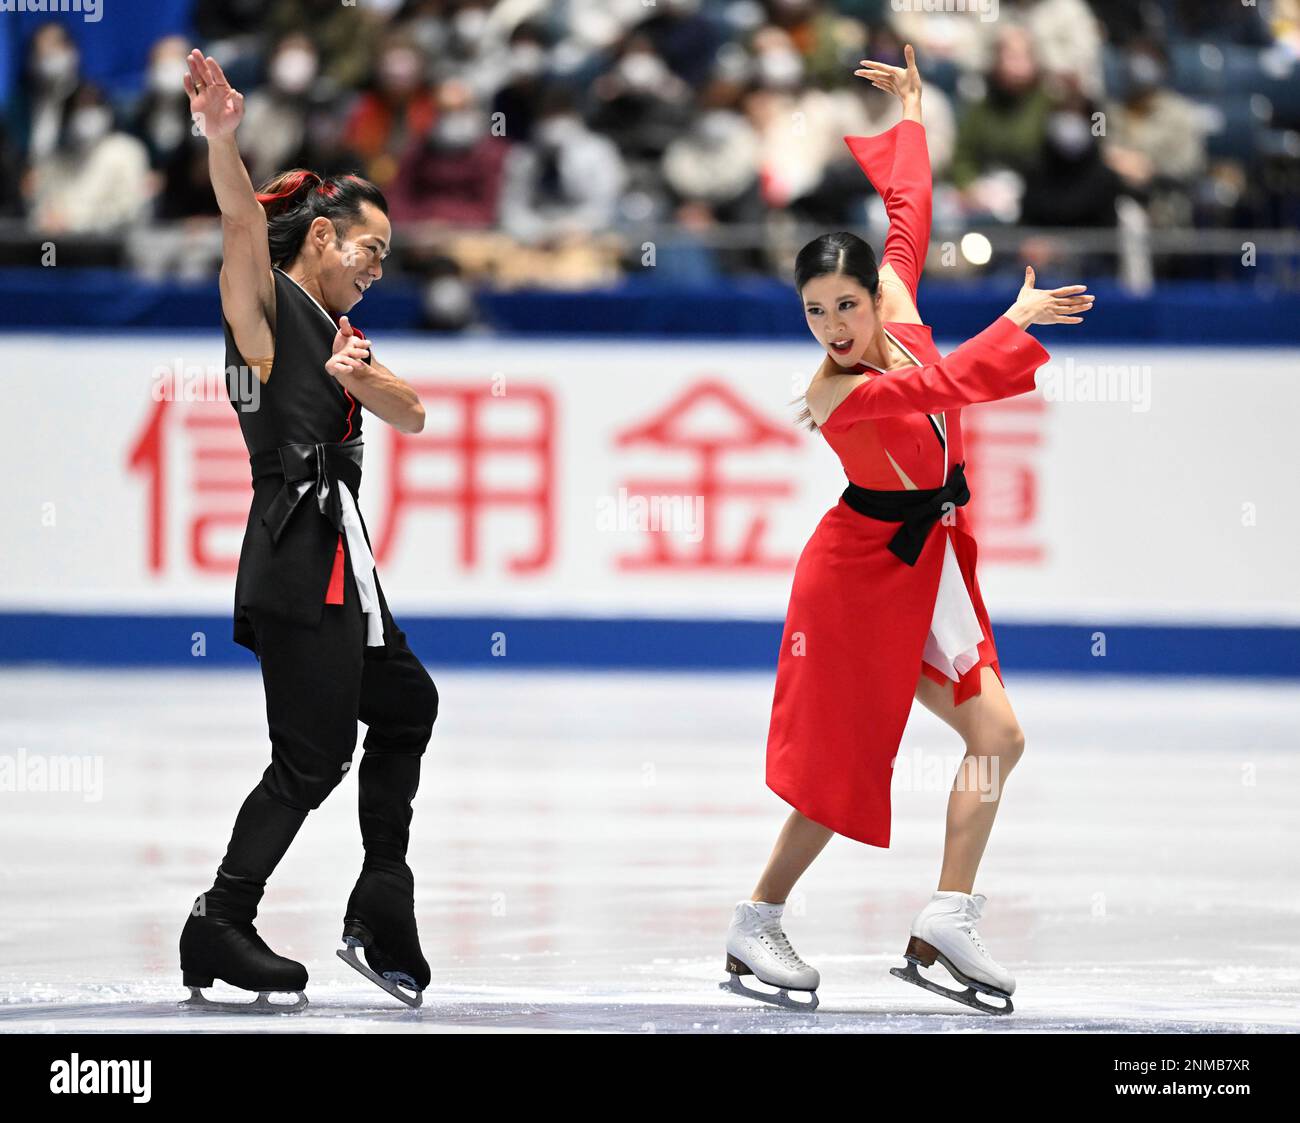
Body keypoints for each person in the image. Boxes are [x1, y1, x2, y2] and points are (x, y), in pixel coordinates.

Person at [722, 45, 1093, 1014]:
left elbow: (904, 218)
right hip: (854, 576)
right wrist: (1011, 320)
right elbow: (935, 386)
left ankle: (947, 916)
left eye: (845, 305)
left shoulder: (893, 304)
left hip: (926, 563)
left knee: (996, 735)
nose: (834, 325)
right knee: (842, 769)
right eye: (814, 312)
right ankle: (758, 915)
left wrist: (916, 118)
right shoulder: (835, 392)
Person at [177, 49, 440, 1011]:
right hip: (297, 553)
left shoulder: (337, 336)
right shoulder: (269, 316)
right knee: (312, 756)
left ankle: (380, 898)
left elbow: (413, 415)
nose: (376, 273)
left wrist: (367, 380)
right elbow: (243, 223)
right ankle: (220, 920)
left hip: (343, 559)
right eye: (369, 255)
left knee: (407, 703)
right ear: (323, 238)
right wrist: (222, 137)